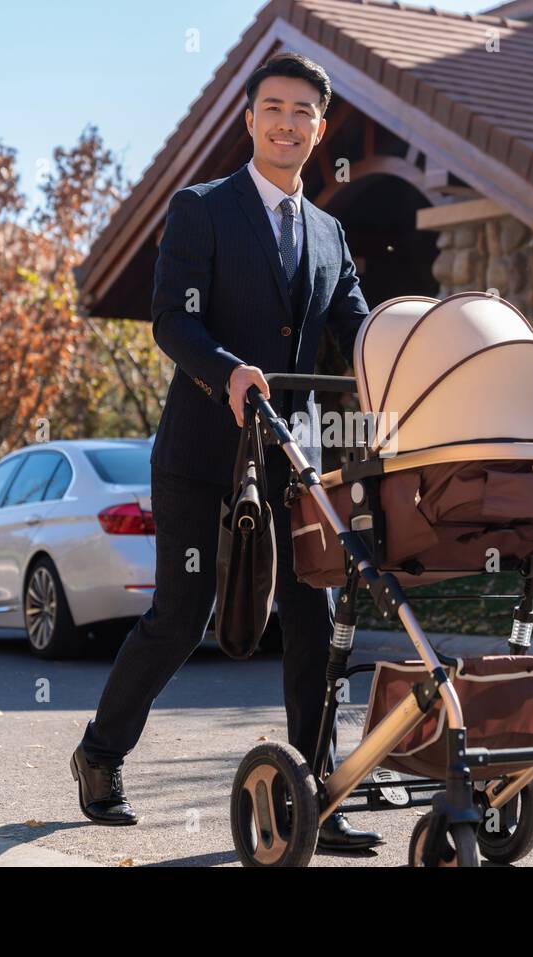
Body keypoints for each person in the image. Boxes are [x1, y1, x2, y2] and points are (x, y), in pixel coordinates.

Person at [71, 52, 383, 851]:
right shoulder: (201, 208)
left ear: (319, 127)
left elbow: (360, 331)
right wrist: (227, 372)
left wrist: (413, 353)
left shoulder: (330, 231)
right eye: (272, 108)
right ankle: (101, 755)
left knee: (312, 616)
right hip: (202, 455)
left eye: (303, 112)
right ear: (249, 120)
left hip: (293, 459)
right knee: (184, 612)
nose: (287, 122)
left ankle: (317, 791)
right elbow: (173, 321)